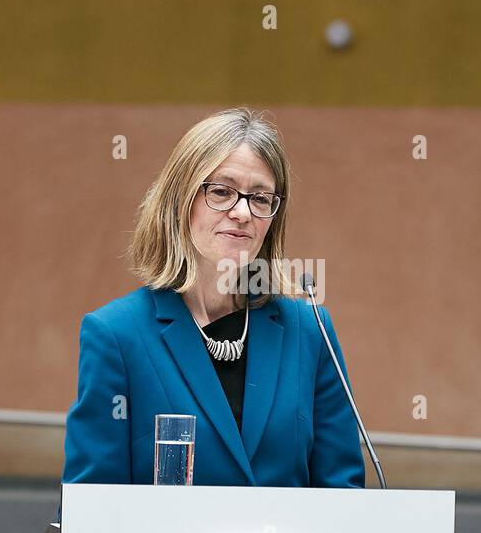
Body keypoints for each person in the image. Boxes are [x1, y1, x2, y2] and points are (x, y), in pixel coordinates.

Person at [60, 107, 366, 489]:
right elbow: (92, 509)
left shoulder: (310, 329)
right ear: (179, 201)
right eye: (221, 192)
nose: (242, 212)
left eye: (260, 198)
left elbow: (344, 497)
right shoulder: (116, 335)